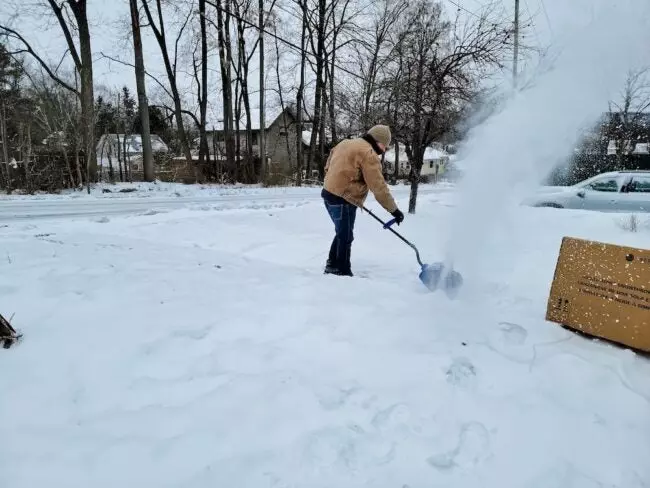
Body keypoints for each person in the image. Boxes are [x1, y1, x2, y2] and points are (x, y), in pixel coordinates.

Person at [321, 124, 404, 276]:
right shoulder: (368, 153)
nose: (384, 150)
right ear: (377, 141)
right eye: (384, 146)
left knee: (342, 233)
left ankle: (332, 265)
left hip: (328, 194)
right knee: (345, 236)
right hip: (343, 199)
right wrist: (394, 210)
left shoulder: (345, 143)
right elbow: (378, 186)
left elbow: (328, 166)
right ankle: (342, 271)